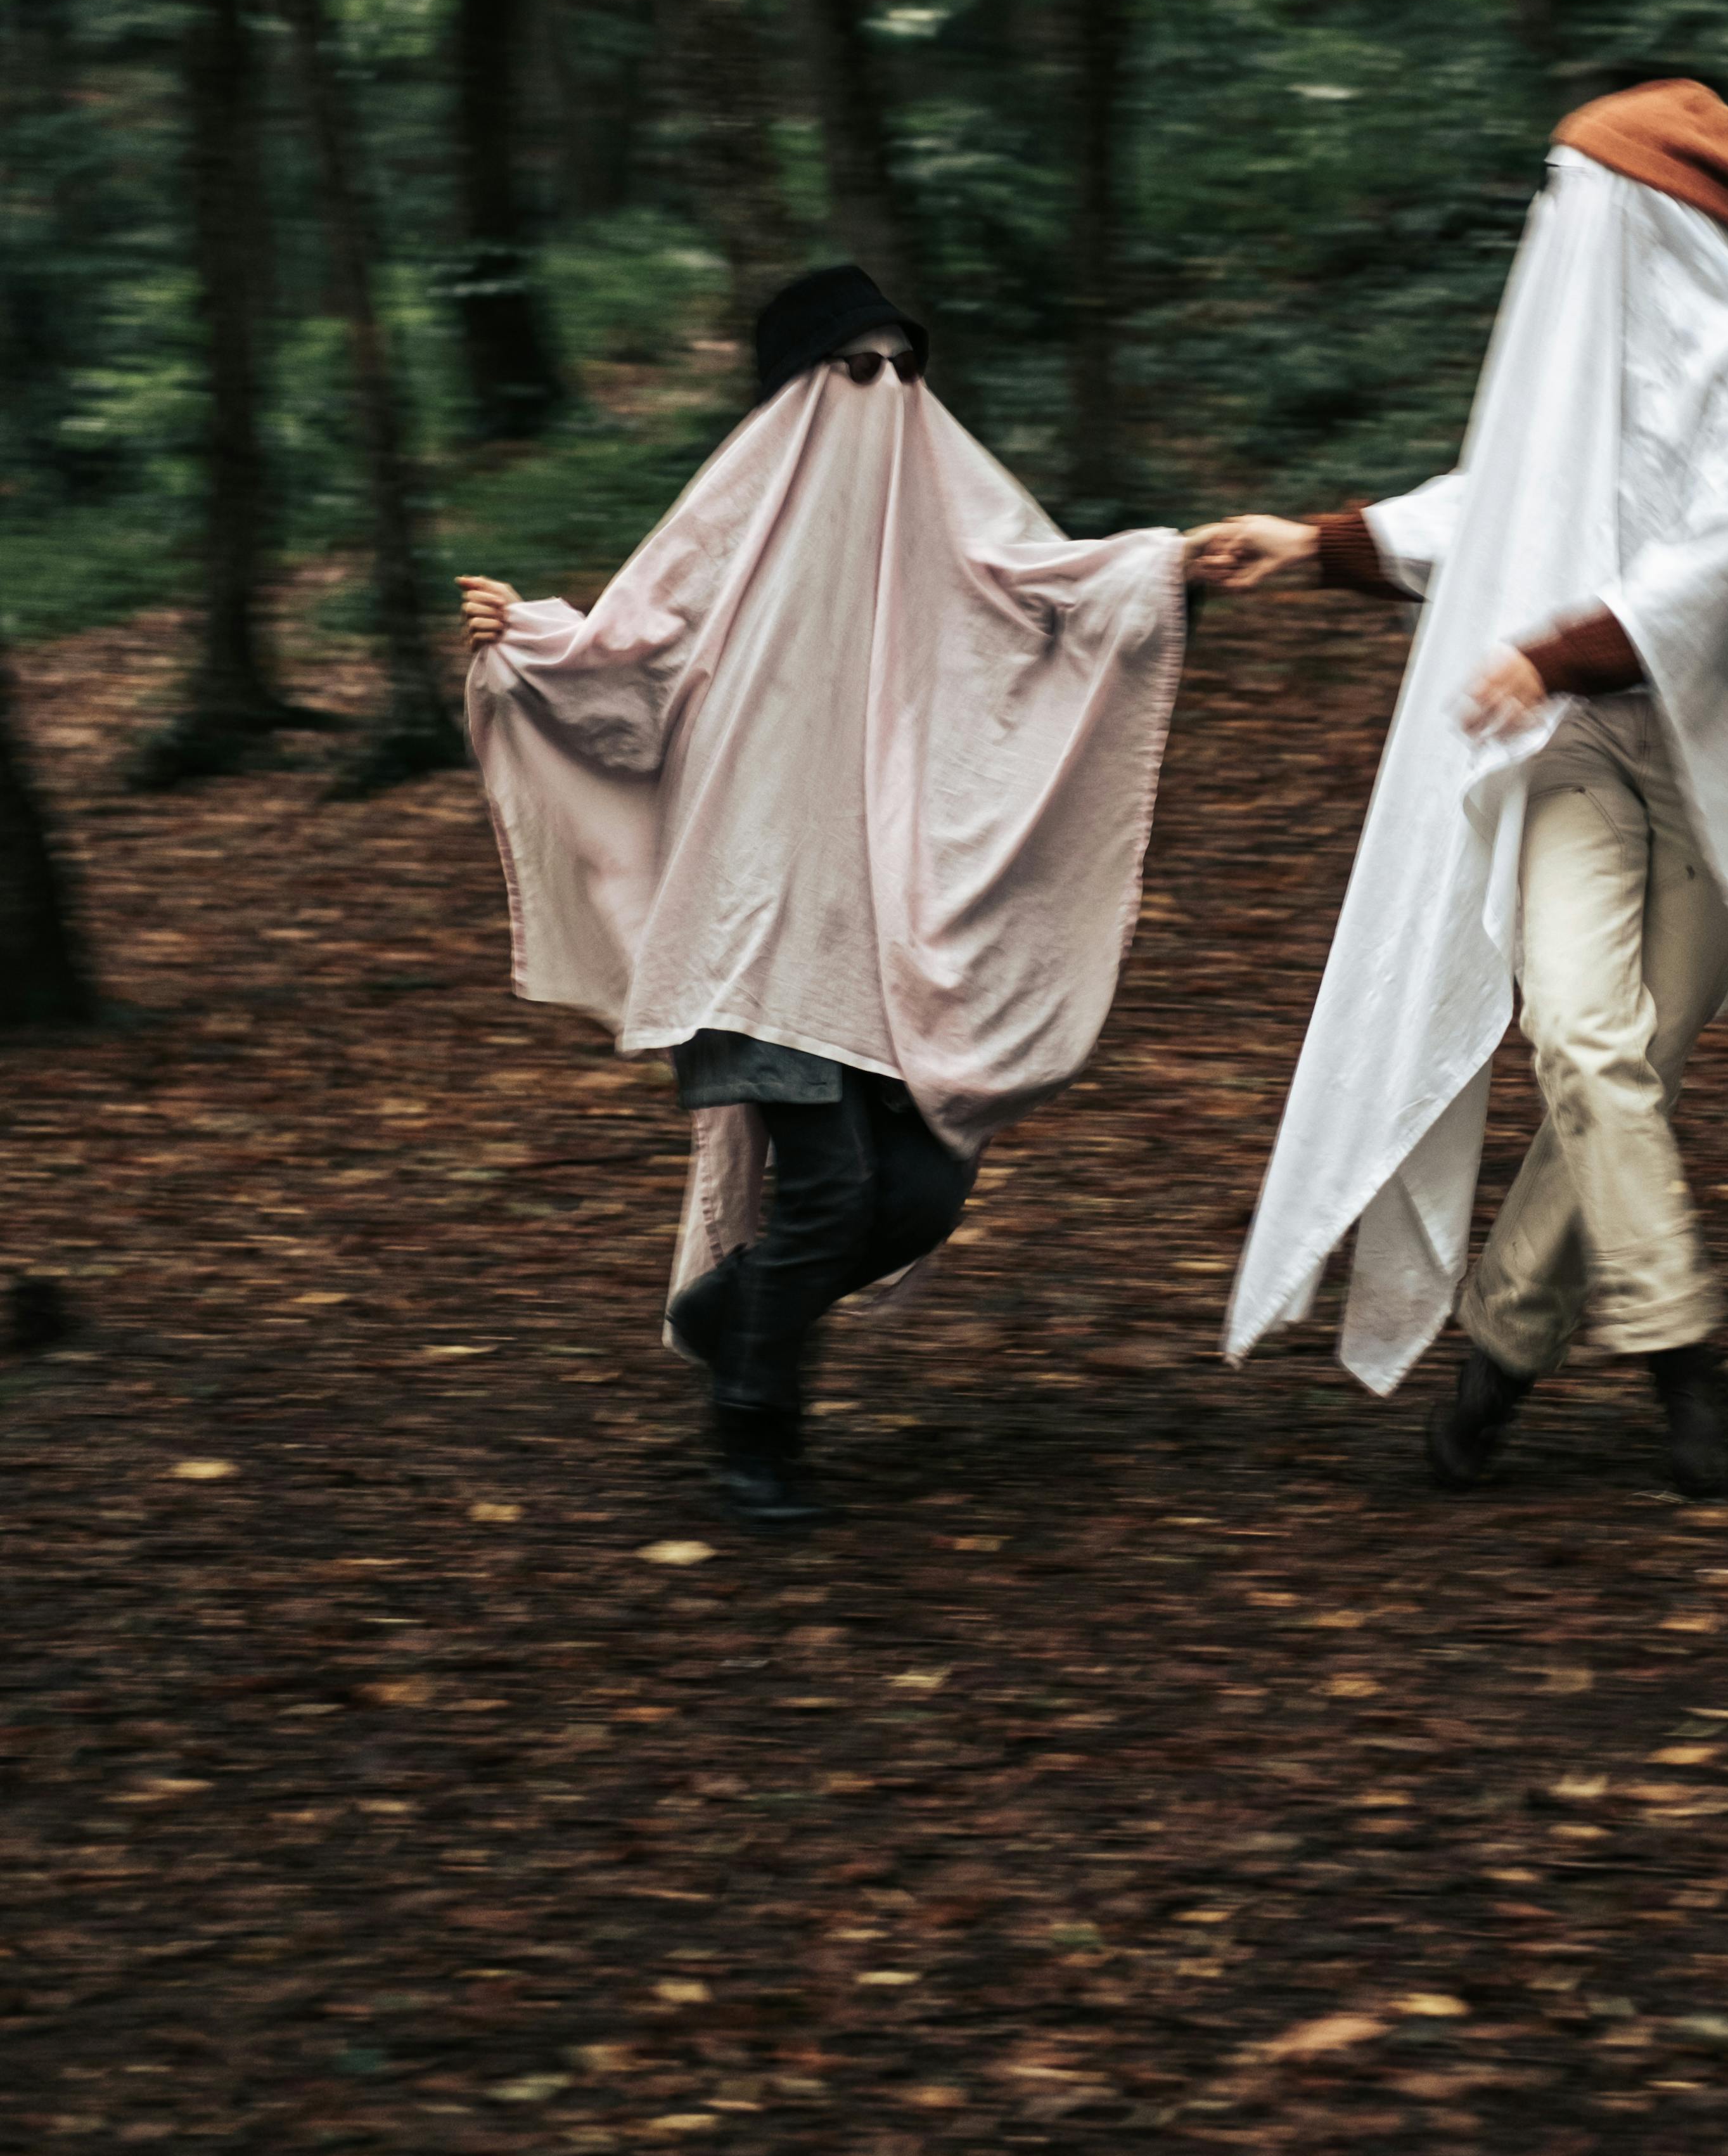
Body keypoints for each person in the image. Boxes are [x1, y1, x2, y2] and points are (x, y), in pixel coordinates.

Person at [1191, 72, 1728, 1501]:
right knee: (1580, 1037)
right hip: (1569, 758)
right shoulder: (1575, 357)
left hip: (1718, 771)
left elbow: (1723, 560)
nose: (1551, 224)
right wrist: (1310, 544)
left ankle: (1496, 1357)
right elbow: (1490, 504)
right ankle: (1684, 1353)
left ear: (1644, 214)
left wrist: (1551, 651)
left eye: (1577, 196)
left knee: (1621, 1081)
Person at [461, 264, 1187, 1531]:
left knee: (920, 1189)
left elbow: (1046, 606)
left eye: (907, 366)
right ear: (800, 388)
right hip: (753, 919)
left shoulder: (949, 528)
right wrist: (522, 636)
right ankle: (758, 1427)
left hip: (897, 923)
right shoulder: (725, 531)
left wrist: (1177, 573)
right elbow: (624, 666)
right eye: (857, 367)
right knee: (836, 1190)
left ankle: (728, 1312)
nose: (889, 391)